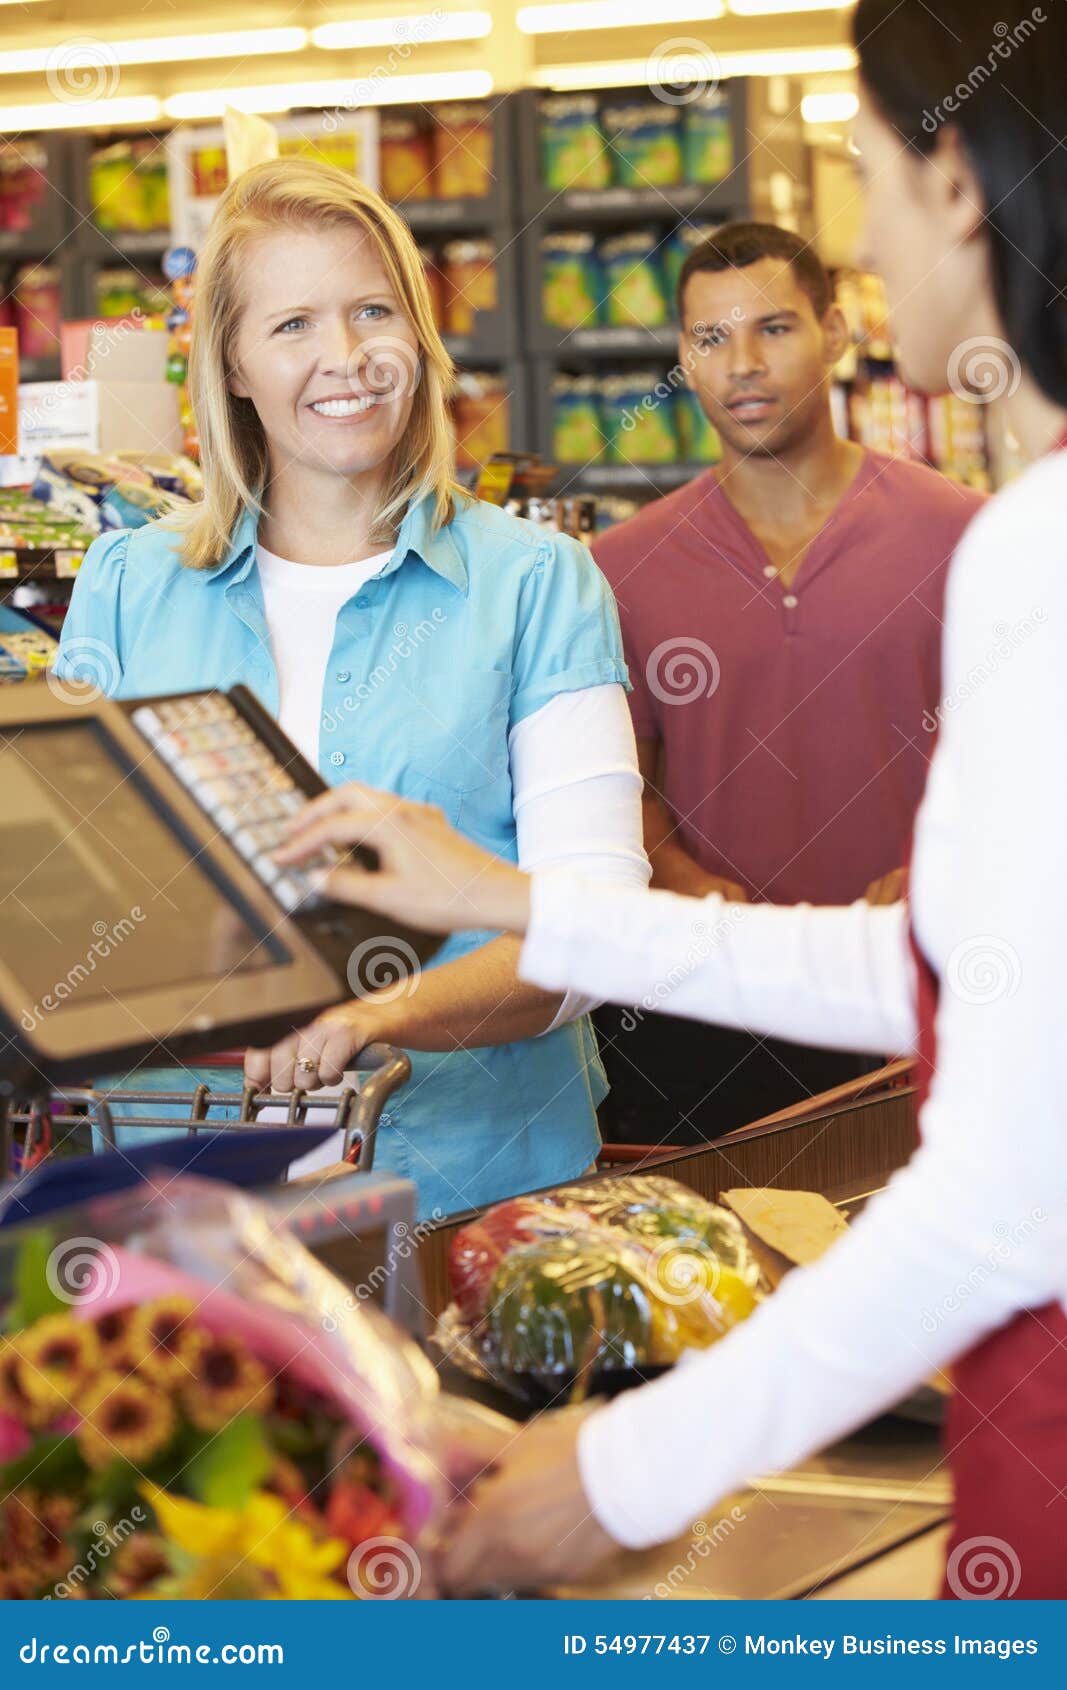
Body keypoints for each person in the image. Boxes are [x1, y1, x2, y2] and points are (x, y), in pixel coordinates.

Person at [271, 0, 1067, 1597]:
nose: (860, 209)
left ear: (958, 185)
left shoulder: (1025, 552)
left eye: (864, 163)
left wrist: (624, 1470)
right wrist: (509, 901)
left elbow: (1000, 1194)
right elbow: (934, 968)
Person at [54, 157, 649, 1221]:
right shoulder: (128, 583)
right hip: (175, 1195)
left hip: (467, 1193)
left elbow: (592, 928)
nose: (346, 358)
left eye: (373, 310)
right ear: (230, 362)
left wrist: (379, 1014)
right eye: (291, 326)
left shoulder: (533, 583)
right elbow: (56, 889)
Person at [593, 221, 984, 1145]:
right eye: (709, 338)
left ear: (836, 334)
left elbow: (1026, 754)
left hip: (922, 980)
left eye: (773, 328)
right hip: (705, 1004)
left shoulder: (964, 534)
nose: (742, 365)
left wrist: (945, 872)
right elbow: (622, 781)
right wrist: (684, 881)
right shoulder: (619, 567)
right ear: (683, 361)